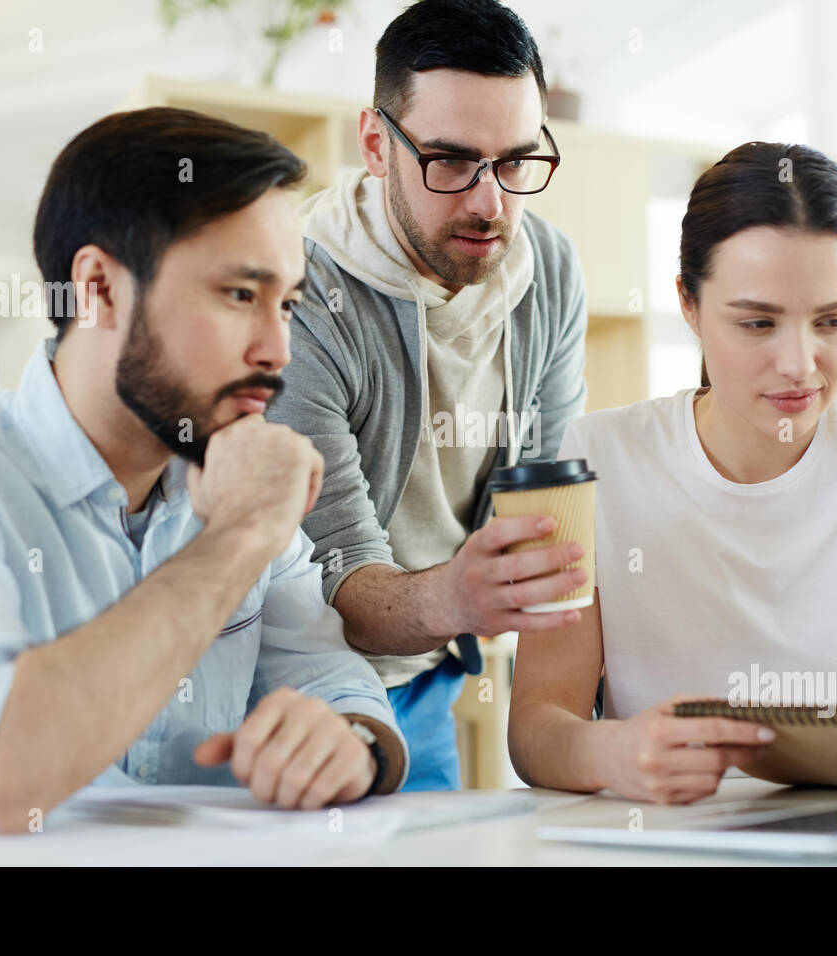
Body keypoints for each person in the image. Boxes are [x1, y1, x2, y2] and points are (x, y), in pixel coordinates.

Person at [0, 107, 407, 834]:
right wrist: (235, 541)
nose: (277, 351)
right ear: (99, 289)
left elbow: (336, 684)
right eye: (240, 295)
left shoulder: (229, 480)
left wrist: (352, 745)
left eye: (287, 304)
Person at [508, 142, 837, 804]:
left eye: (833, 321)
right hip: (676, 836)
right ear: (689, 304)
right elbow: (536, 726)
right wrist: (608, 750)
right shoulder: (594, 456)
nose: (799, 363)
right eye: (758, 323)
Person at [268, 0, 588, 790]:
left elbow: (552, 498)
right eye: (449, 161)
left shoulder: (547, 267)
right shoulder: (296, 293)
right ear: (376, 144)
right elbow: (328, 576)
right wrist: (461, 595)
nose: (491, 204)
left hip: (432, 672)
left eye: (516, 161)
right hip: (308, 694)